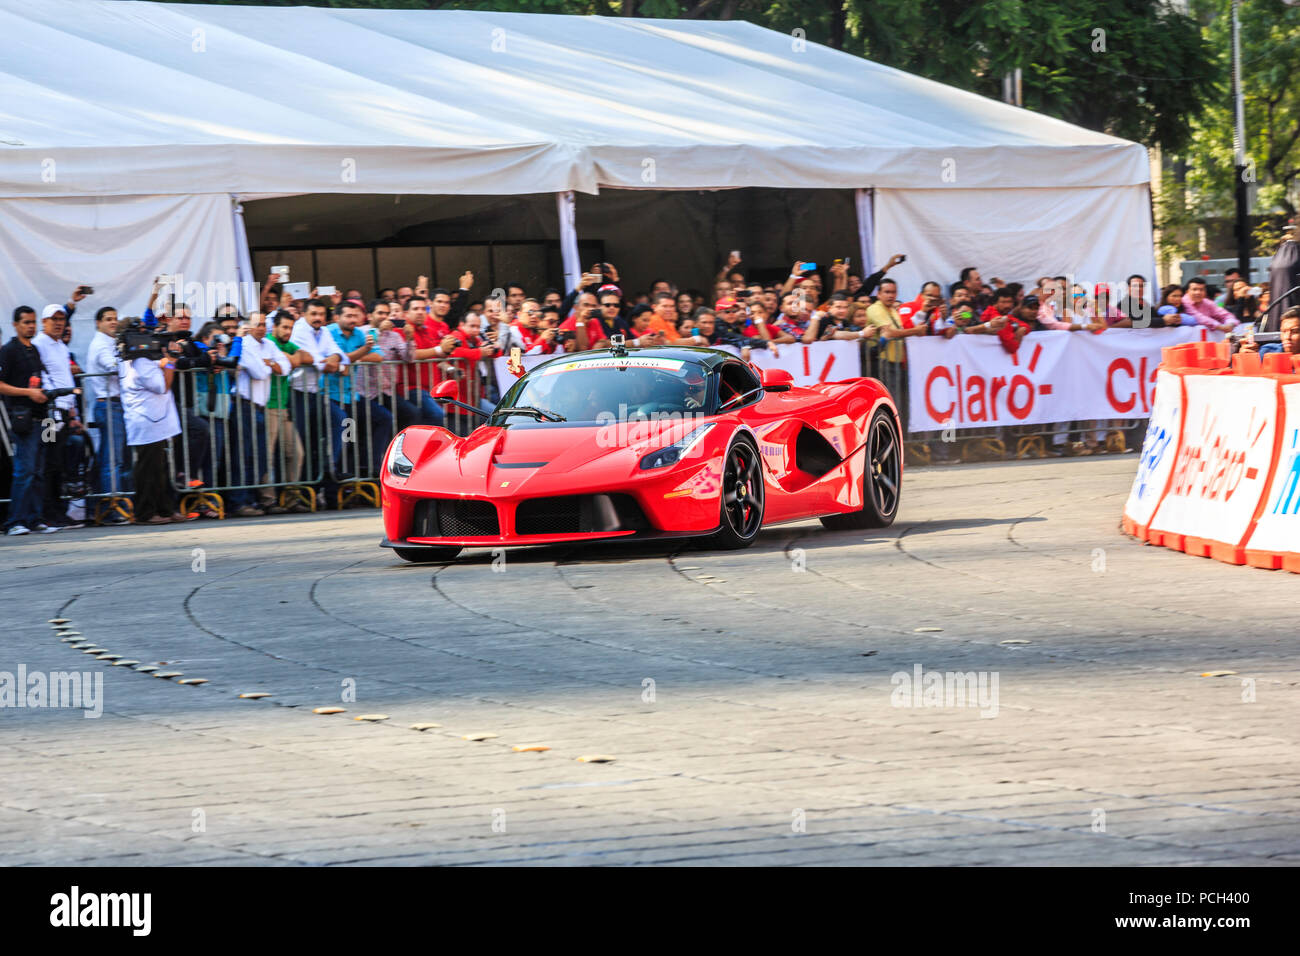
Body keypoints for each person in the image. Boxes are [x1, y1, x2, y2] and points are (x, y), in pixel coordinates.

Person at [118, 326, 194, 525]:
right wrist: (171, 362)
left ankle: (165, 509)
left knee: (160, 468)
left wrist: (166, 361)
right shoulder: (141, 363)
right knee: (148, 470)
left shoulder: (136, 361)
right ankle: (144, 513)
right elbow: (163, 386)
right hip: (146, 422)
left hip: (153, 421)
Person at [227, 312, 291, 516]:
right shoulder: (244, 344)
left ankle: (250, 499)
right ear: (248, 326)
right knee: (244, 455)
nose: (262, 328)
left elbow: (286, 368)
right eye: (257, 324)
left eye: (264, 324)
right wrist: (270, 365)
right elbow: (259, 373)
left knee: (260, 457)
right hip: (244, 406)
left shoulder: (269, 346)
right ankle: (239, 502)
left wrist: (269, 363)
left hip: (260, 408)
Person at [1, 307, 58, 535]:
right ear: (15, 325)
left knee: (39, 470)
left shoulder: (34, 350)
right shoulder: (8, 350)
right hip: (23, 418)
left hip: (43, 417)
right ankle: (14, 521)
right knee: (24, 471)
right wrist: (27, 393)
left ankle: (35, 519)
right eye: (26, 322)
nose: (31, 326)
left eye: (33, 322)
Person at [33, 304, 85, 529]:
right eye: (53, 319)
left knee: (59, 462)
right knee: (49, 462)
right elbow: (42, 375)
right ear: (44, 321)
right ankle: (48, 513)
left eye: (61, 319)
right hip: (49, 413)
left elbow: (66, 378)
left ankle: (58, 511)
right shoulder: (39, 344)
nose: (58, 323)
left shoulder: (61, 346)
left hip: (64, 410)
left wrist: (72, 409)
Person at [86, 305, 131, 514]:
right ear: (98, 323)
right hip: (109, 405)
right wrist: (130, 361)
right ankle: (113, 509)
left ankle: (104, 506)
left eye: (115, 318)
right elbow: (111, 365)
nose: (113, 322)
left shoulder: (110, 342)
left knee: (110, 459)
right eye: (108, 319)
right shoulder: (101, 344)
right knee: (113, 460)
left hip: (113, 405)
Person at [263, 311, 309, 512]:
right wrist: (293, 357)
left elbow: (305, 357)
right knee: (268, 455)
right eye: (284, 327)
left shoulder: (286, 345)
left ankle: (291, 499)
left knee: (296, 453)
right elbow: (295, 360)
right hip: (268, 405)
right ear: (274, 327)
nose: (288, 331)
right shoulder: (267, 342)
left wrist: (292, 356)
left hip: (284, 407)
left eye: (291, 328)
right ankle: (268, 499)